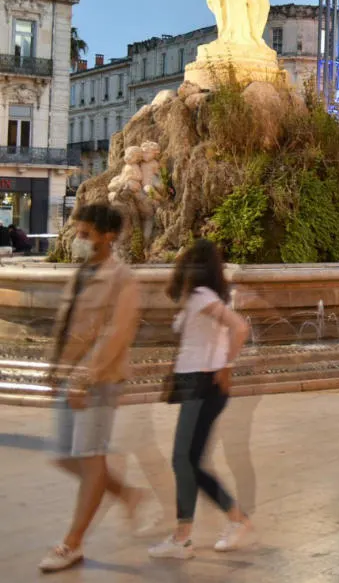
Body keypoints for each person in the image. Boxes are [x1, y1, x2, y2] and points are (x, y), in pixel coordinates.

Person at [39, 205, 147, 573]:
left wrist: (85, 377)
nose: (77, 239)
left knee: (88, 455)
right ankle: (126, 493)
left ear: (107, 236)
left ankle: (72, 544)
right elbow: (69, 324)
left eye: (84, 233)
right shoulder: (83, 272)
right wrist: (56, 370)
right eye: (77, 232)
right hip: (73, 377)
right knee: (67, 456)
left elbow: (115, 334)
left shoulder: (123, 279)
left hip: (100, 382)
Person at [148, 240, 255, 560]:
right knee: (189, 460)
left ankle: (206, 530)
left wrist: (225, 367)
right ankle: (204, 529)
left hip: (202, 384)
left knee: (185, 459)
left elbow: (240, 327)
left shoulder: (201, 297)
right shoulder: (202, 297)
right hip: (198, 384)